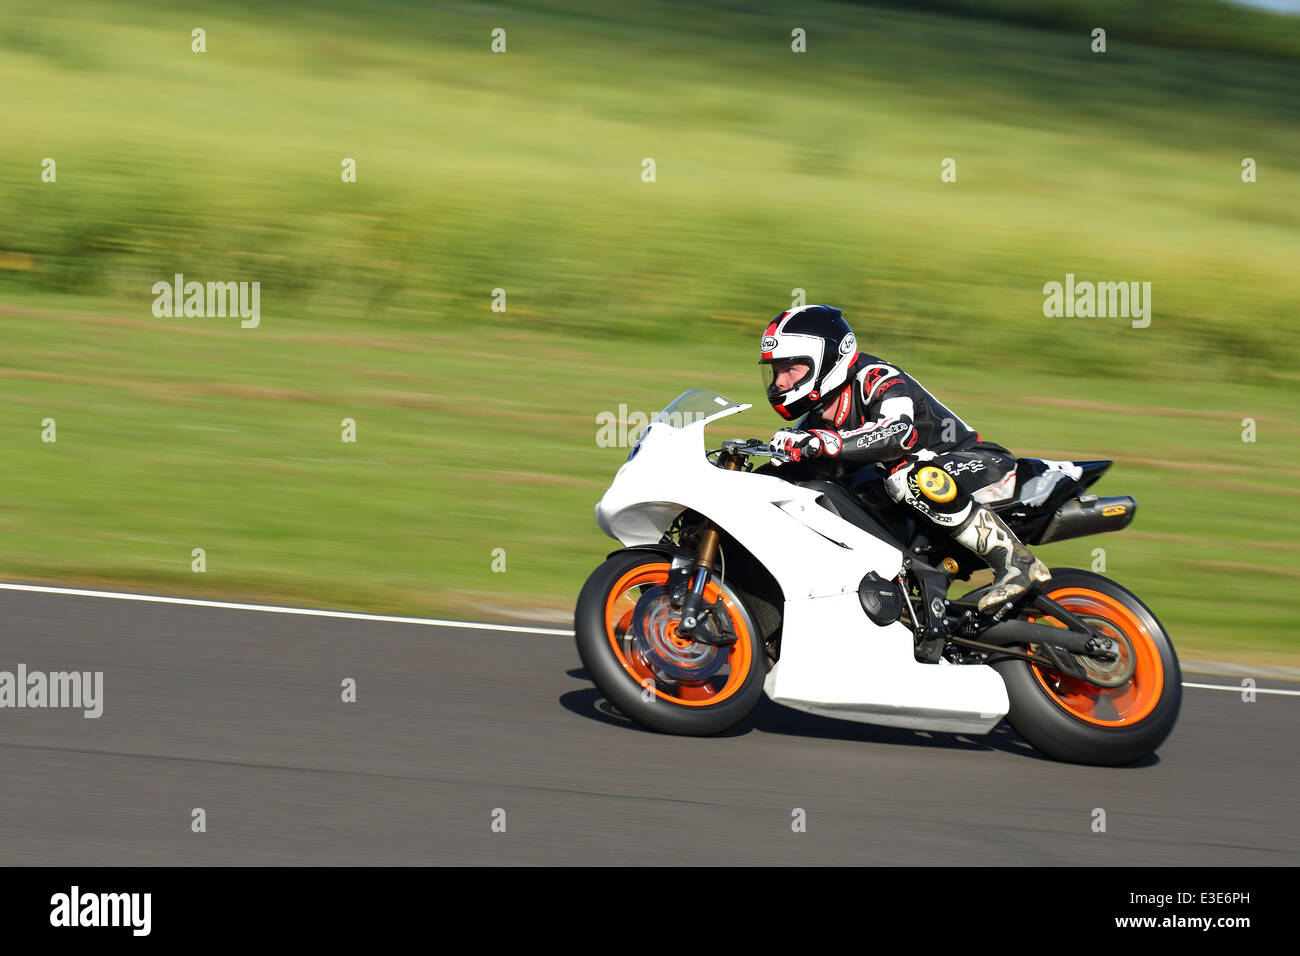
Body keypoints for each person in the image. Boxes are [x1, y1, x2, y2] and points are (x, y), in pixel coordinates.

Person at [759, 304, 1050, 612]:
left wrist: (823, 443)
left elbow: (897, 434)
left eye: (790, 369)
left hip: (977, 464)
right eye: (776, 371)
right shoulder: (817, 420)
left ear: (829, 361)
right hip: (925, 495)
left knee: (906, 476)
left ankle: (1015, 561)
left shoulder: (877, 378)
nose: (780, 382)